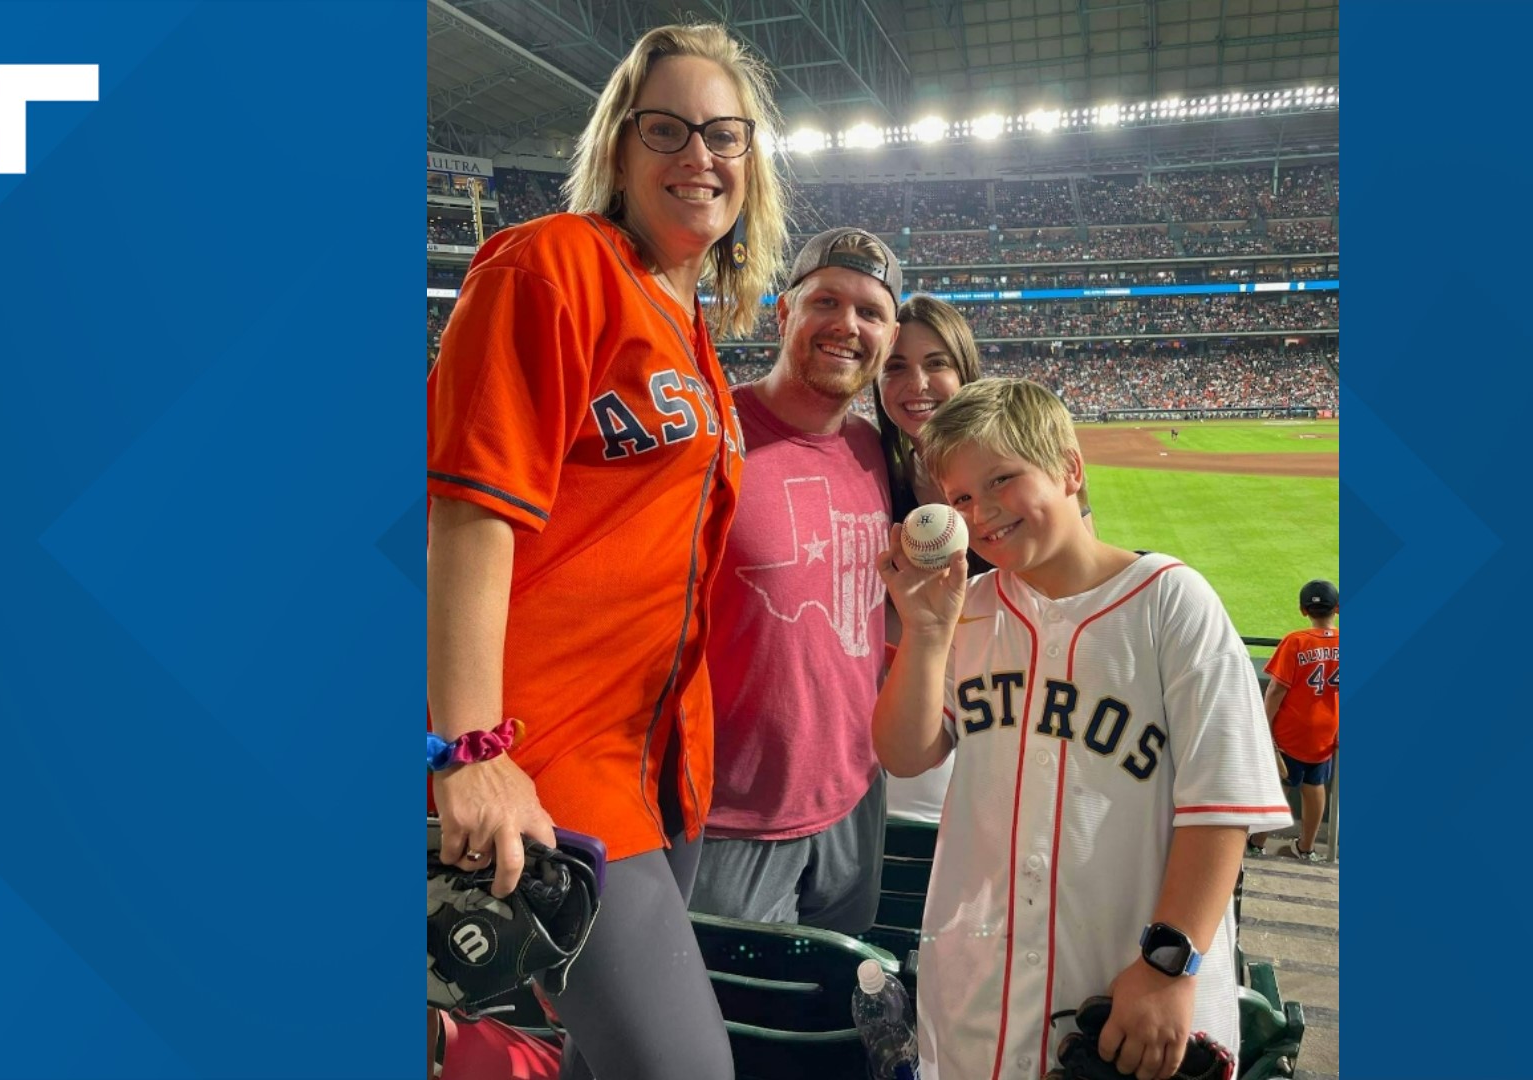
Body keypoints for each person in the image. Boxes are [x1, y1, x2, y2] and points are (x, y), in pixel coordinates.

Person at [425, 23, 786, 1080]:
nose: (698, 156)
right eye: (665, 129)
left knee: (604, 1060)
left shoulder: (692, 331)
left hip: (658, 770)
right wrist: (473, 751)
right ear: (620, 150)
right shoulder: (552, 267)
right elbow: (469, 516)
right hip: (545, 760)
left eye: (724, 134)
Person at [872, 377, 1293, 1080]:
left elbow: (1221, 806)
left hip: (1130, 976)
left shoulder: (1171, 604)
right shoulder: (965, 609)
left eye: (1003, 478)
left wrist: (1168, 965)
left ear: (1070, 469)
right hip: (982, 979)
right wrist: (923, 631)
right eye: (962, 497)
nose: (982, 512)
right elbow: (905, 753)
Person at [686, 228, 902, 936]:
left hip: (855, 802)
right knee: (729, 1036)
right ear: (783, 313)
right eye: (827, 302)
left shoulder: (871, 451)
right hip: (729, 820)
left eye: (871, 312)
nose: (848, 325)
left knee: (829, 1021)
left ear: (889, 334)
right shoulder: (710, 435)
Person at [871, 295, 1092, 824]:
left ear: (966, 369)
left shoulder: (1025, 465)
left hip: (1019, 701)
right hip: (917, 711)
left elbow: (1076, 590)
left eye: (937, 363)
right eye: (895, 367)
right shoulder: (872, 474)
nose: (917, 384)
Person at [1249, 580, 1340, 863]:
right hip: (1326, 734)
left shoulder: (1296, 641)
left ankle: (1257, 843)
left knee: (1280, 787)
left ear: (1303, 610)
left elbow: (1275, 690)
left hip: (1290, 734)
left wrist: (1265, 730)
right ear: (1337, 608)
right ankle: (1306, 847)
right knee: (1315, 787)